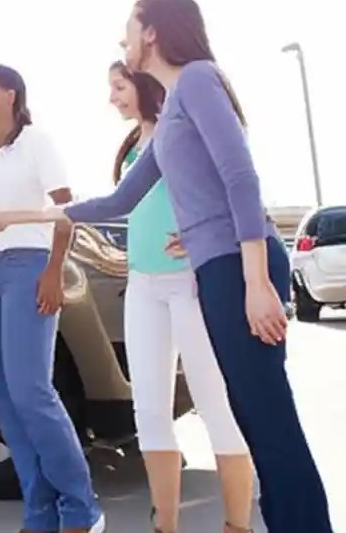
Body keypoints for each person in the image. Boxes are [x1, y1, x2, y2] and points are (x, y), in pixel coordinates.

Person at [0, 0, 332, 533]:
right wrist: (13, 217)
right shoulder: (174, 106)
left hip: (236, 265)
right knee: (255, 415)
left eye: (129, 28)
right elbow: (117, 202)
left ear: (151, 33)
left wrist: (256, 281)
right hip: (216, 266)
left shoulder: (197, 79)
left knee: (268, 419)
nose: (123, 39)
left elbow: (241, 177)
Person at [107, 61, 254, 532]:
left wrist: (202, 236)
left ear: (144, 84)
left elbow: (235, 186)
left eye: (119, 85)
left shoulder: (184, 126)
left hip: (191, 281)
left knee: (218, 406)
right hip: (143, 286)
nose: (112, 97)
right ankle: (164, 526)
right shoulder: (134, 145)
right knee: (148, 411)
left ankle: (237, 526)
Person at [0, 64, 105, 533]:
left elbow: (66, 211)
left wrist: (53, 271)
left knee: (31, 391)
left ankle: (82, 509)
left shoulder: (36, 142)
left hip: (27, 266)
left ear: (10, 94)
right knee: (4, 397)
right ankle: (37, 515)